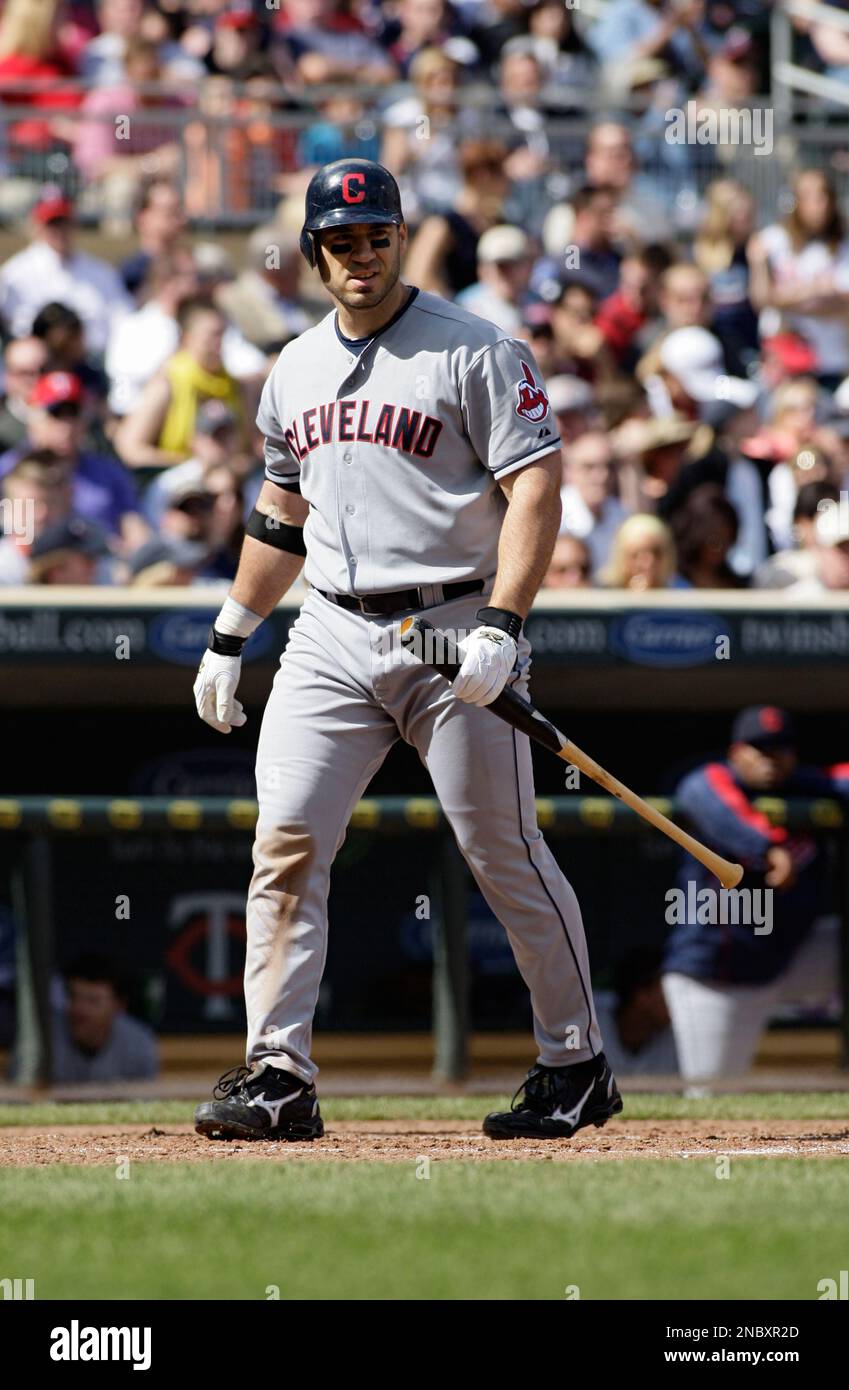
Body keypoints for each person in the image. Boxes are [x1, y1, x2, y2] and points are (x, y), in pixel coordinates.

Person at [193, 158, 622, 1144]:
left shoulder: (474, 348)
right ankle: (277, 1074)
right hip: (332, 627)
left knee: (501, 849)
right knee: (287, 839)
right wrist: (231, 632)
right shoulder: (292, 366)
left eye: (375, 236)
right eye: (340, 240)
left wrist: (503, 625)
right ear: (314, 252)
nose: (360, 254)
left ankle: (575, 1062)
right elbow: (280, 512)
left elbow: (539, 489)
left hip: (450, 620)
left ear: (399, 238)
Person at [662, 707, 849, 1092]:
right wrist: (768, 847)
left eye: (779, 748)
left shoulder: (808, 786)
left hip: (789, 957)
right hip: (715, 975)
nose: (770, 757)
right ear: (736, 752)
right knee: (710, 1096)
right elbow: (699, 792)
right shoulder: (711, 781)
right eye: (759, 748)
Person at [0, 371, 149, 552]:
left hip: (94, 570)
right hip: (21, 569)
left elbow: (136, 532)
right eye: (56, 415)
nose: (66, 426)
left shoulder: (109, 473)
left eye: (73, 414)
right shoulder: (8, 469)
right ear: (33, 419)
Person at [114, 297, 246, 468]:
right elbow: (129, 449)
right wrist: (191, 464)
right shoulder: (167, 383)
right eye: (211, 336)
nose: (218, 345)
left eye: (222, 335)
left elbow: (247, 449)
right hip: (177, 484)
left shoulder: (233, 385)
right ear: (187, 337)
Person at [748, 169, 849, 391]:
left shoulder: (842, 246)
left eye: (823, 196)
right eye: (808, 196)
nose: (818, 204)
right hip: (784, 360)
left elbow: (843, 303)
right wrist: (815, 290)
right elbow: (761, 298)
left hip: (829, 359)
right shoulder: (772, 240)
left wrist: (787, 299)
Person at [0, 188, 132, 355]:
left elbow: (123, 319)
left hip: (92, 365)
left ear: (74, 223)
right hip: (38, 367)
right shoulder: (15, 273)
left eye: (63, 222)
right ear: (37, 225)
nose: (59, 231)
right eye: (52, 223)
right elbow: (16, 328)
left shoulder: (101, 272)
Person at [18, 953, 158, 1083]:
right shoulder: (40, 1040)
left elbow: (146, 1104)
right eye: (73, 997)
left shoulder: (139, 1044)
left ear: (118, 1005)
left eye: (92, 1001)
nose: (80, 1009)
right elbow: (19, 1096)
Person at [560, 430, 630, 577]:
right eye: (589, 467)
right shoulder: (553, 516)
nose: (602, 475)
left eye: (609, 466)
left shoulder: (622, 515)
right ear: (568, 470)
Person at [455, 224, 537, 334]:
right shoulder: (466, 308)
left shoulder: (539, 302)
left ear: (528, 266)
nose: (507, 273)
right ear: (482, 270)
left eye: (514, 265)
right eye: (500, 266)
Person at [600, 512, 677, 589]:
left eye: (656, 552)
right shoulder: (600, 593)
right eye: (636, 554)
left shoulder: (680, 591)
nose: (648, 563)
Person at [0, 336, 49, 452]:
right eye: (25, 373)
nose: (36, 378)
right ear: (8, 377)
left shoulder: (73, 415)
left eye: (43, 370)